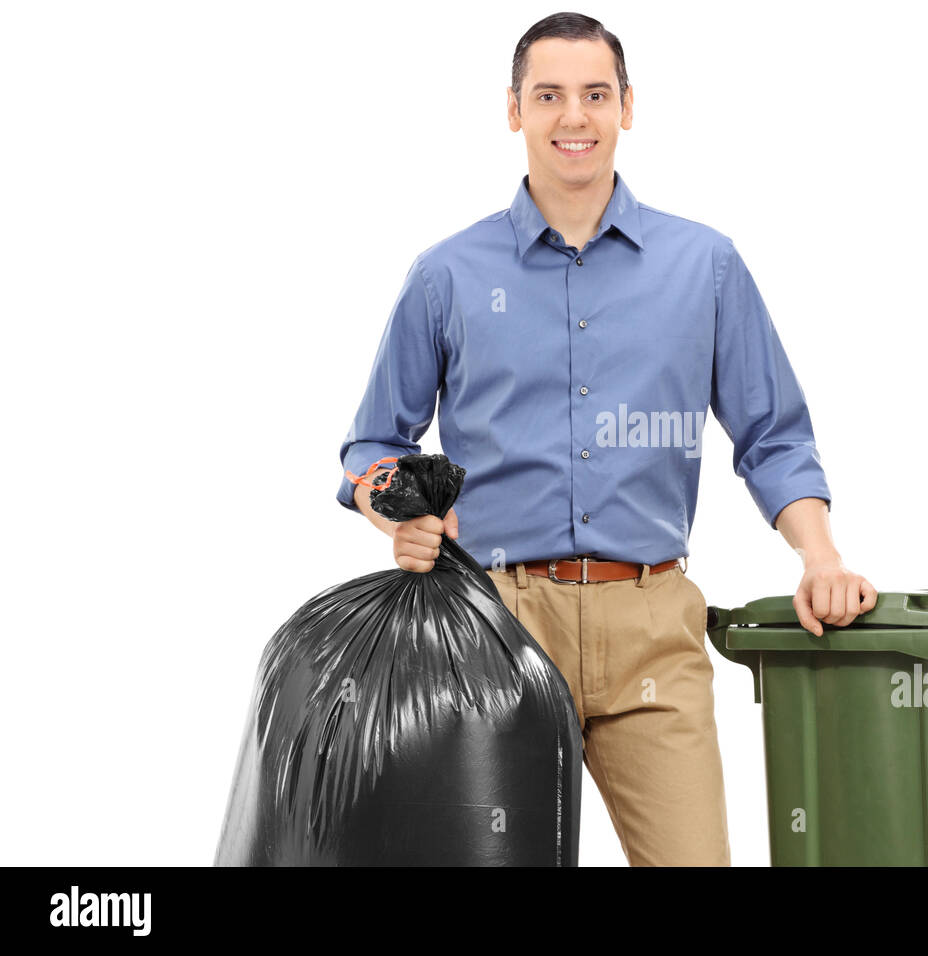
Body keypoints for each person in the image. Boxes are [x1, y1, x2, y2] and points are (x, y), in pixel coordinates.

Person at [336, 11, 877, 866]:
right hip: (495, 630)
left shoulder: (704, 266)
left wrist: (819, 555)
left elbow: (772, 434)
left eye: (595, 94)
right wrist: (393, 511)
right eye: (548, 95)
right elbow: (373, 445)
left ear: (629, 105)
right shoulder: (449, 274)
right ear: (513, 110)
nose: (573, 117)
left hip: (653, 626)